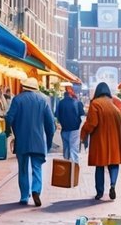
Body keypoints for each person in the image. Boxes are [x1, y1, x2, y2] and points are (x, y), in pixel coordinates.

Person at [5, 77, 55, 207]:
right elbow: (50, 125)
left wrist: (9, 133)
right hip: (38, 141)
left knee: (22, 169)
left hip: (21, 140)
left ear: (23, 87)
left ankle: (23, 196)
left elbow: (9, 118)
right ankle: (36, 190)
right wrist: (48, 141)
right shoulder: (42, 100)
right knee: (37, 167)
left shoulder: (17, 100)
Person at [80, 82, 121, 201]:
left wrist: (84, 133)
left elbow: (92, 123)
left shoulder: (95, 104)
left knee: (100, 166)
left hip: (100, 141)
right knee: (114, 163)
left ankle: (99, 192)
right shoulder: (113, 104)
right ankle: (112, 185)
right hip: (114, 140)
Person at [55, 85, 85, 162]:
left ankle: (66, 166)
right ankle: (74, 167)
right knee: (74, 148)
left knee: (66, 149)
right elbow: (82, 116)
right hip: (75, 129)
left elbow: (56, 115)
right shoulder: (77, 103)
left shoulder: (60, 103)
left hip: (64, 129)